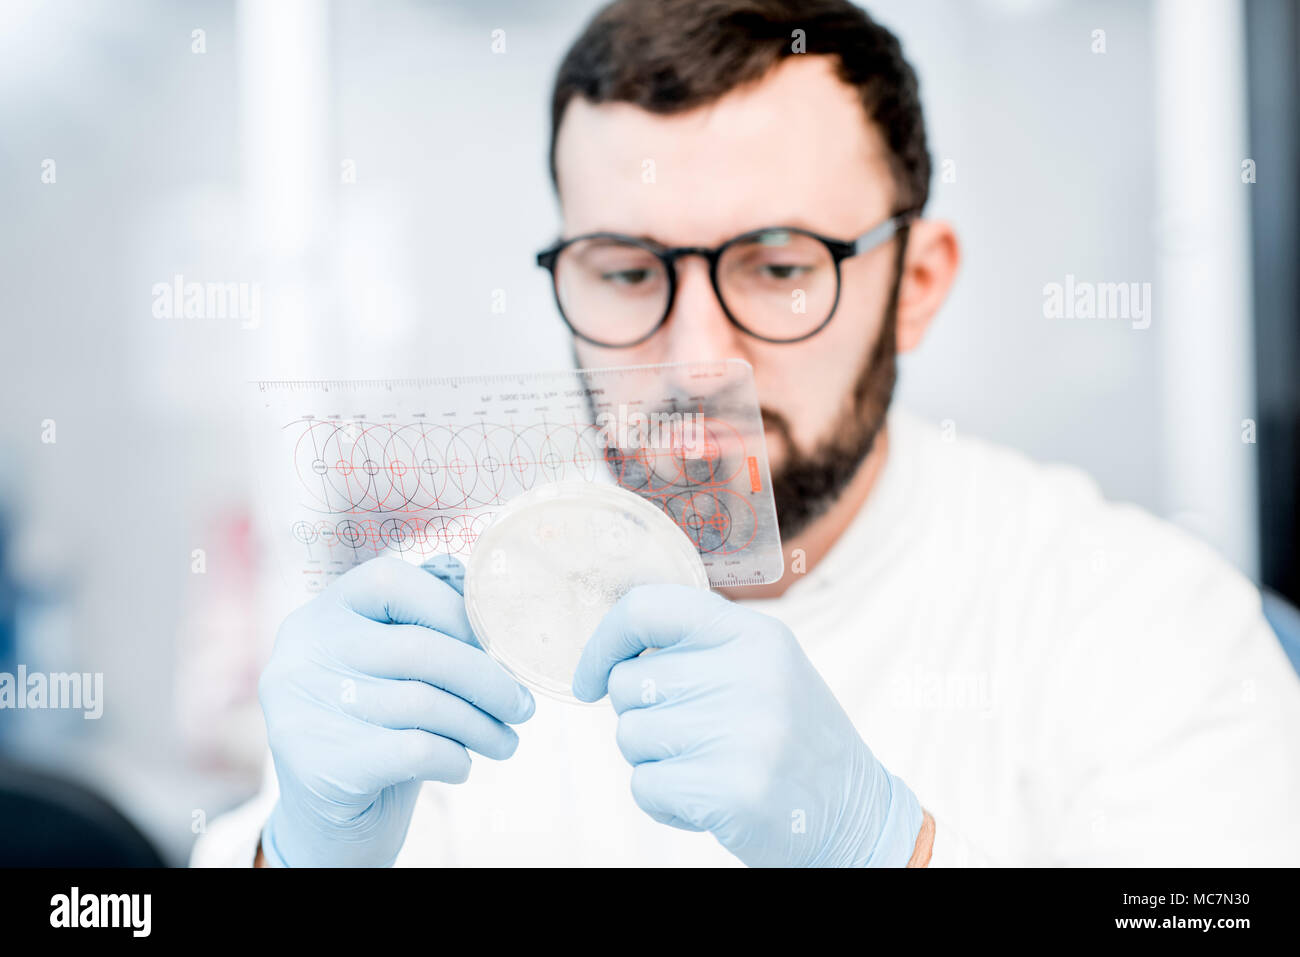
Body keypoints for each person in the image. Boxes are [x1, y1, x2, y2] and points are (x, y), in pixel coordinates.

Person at [192, 0, 1300, 867]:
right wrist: (294, 859)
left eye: (776, 269)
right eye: (627, 273)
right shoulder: (466, 620)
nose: (692, 362)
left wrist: (885, 852)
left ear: (916, 281)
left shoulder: (1147, 622)